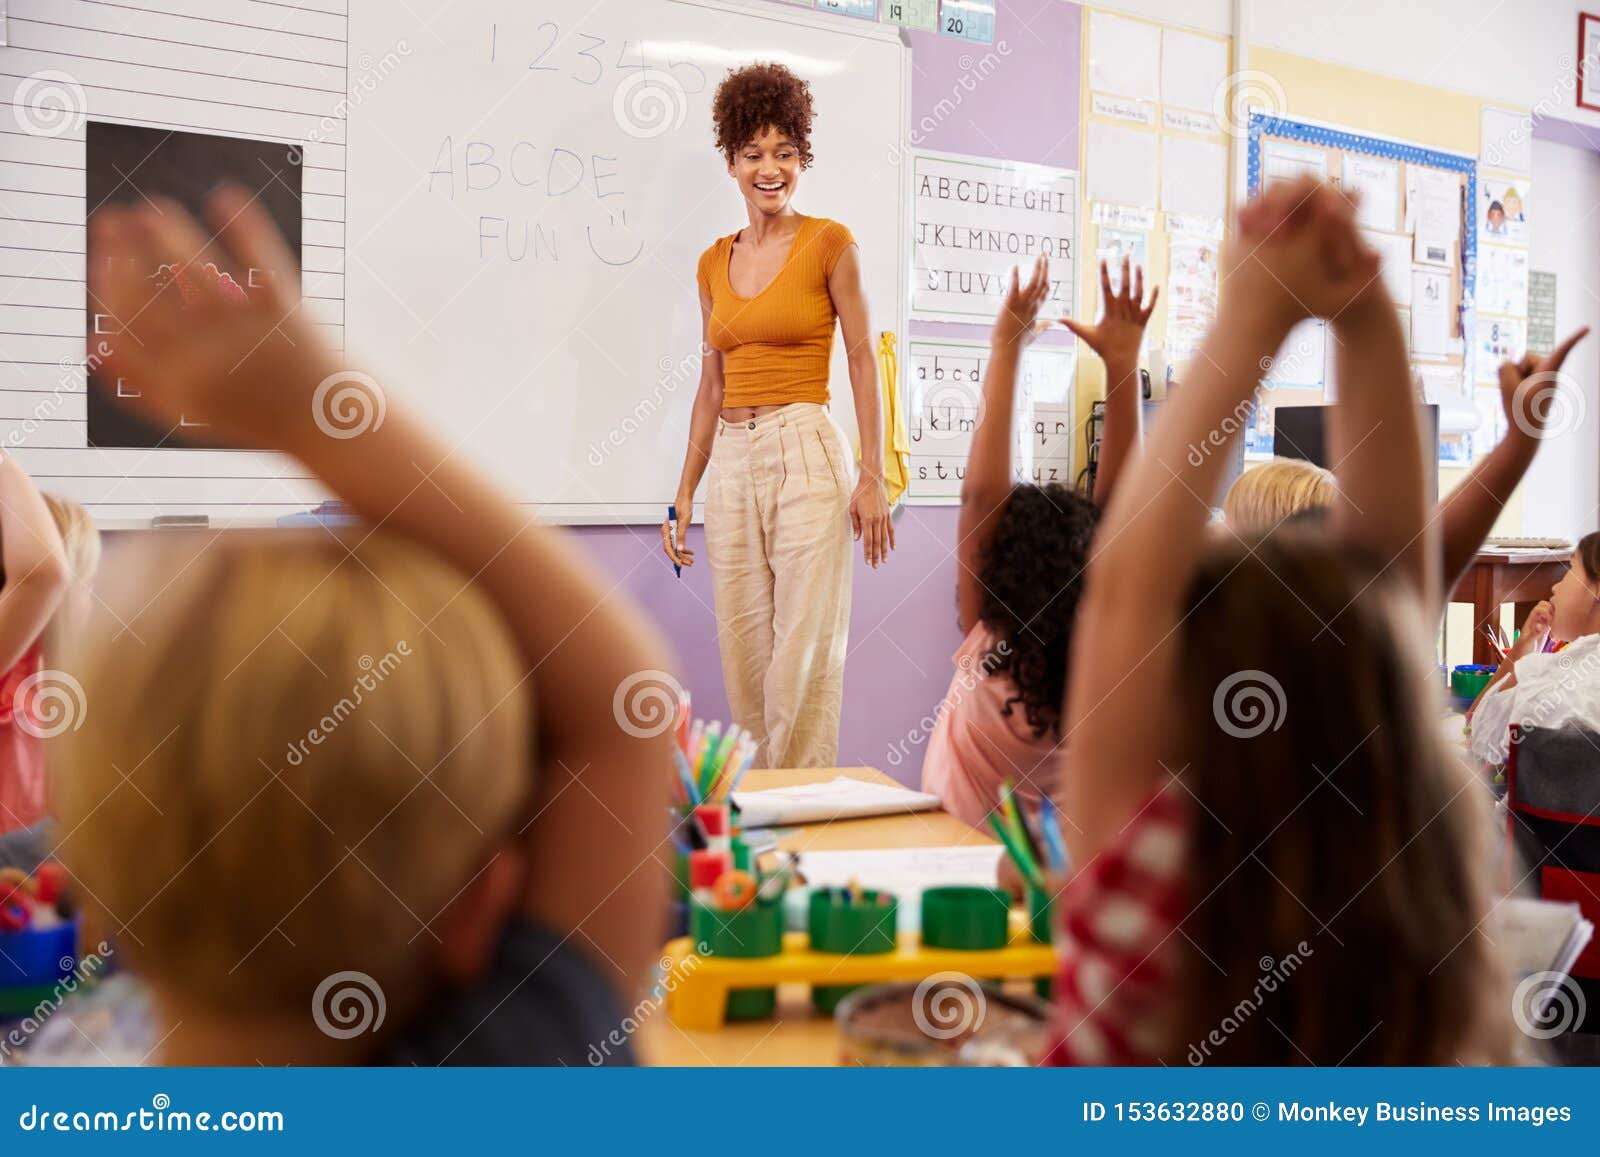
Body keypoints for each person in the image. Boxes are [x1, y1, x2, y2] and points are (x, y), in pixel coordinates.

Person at [60, 189, 675, 1066]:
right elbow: (623, 708)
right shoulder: (521, 1066)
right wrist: (313, 406)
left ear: (89, 898)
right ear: (477, 910)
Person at [1045, 176, 1513, 1065]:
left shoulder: (1143, 907)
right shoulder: (1436, 896)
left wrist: (1257, 310)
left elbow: (1124, 595)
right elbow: (1395, 591)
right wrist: (1366, 314)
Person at [661, 61, 892, 769]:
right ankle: (770, 824)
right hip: (732, 458)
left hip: (805, 447)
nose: (771, 168)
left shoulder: (830, 243)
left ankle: (802, 818)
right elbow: (710, 384)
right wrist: (683, 491)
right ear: (730, 161)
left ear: (802, 158)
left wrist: (872, 473)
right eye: (755, 153)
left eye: (785, 153)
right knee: (746, 658)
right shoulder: (709, 263)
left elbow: (861, 360)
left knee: (803, 659)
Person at [921, 255, 1155, 827]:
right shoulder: (1106, 673)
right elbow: (1125, 511)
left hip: (952, 872)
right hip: (1059, 888)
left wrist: (1007, 344)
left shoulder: (988, 643)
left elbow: (980, 497)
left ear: (1003, 568)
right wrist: (1122, 367)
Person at [0, 467, 99, 834]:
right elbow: (43, 573)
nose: (91, 600)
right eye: (87, 584)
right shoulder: (11, 676)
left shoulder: (59, 689)